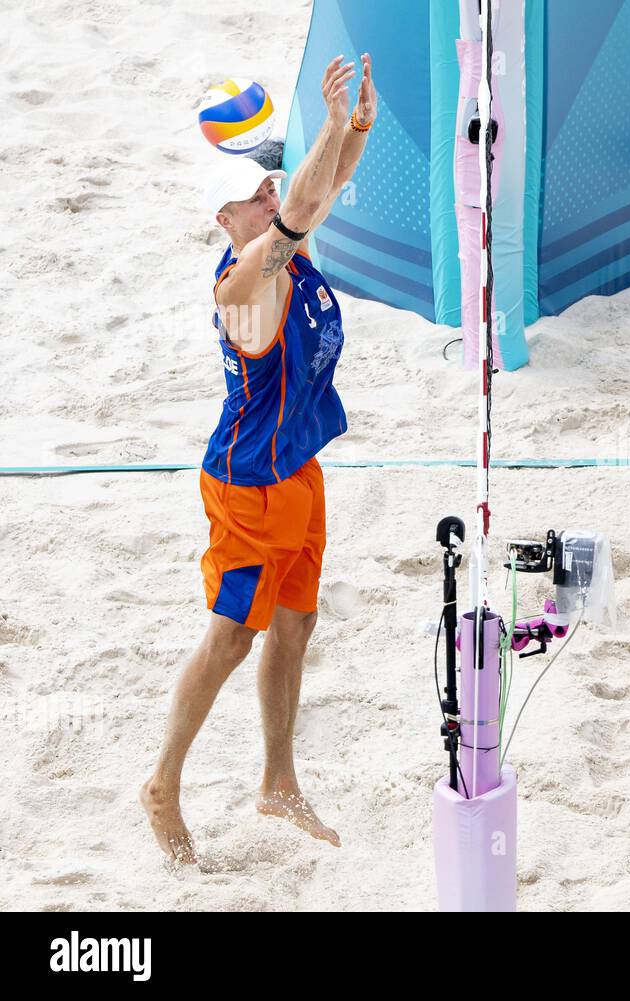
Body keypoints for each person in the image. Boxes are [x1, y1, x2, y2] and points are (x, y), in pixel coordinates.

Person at [140, 55, 377, 864]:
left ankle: (278, 779)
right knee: (231, 638)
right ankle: (163, 782)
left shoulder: (284, 241)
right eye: (256, 191)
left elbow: (323, 183)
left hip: (298, 470)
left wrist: (355, 123)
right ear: (225, 215)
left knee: (298, 619)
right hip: (244, 487)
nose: (272, 193)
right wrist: (333, 122)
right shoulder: (248, 283)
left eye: (270, 182)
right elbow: (309, 197)